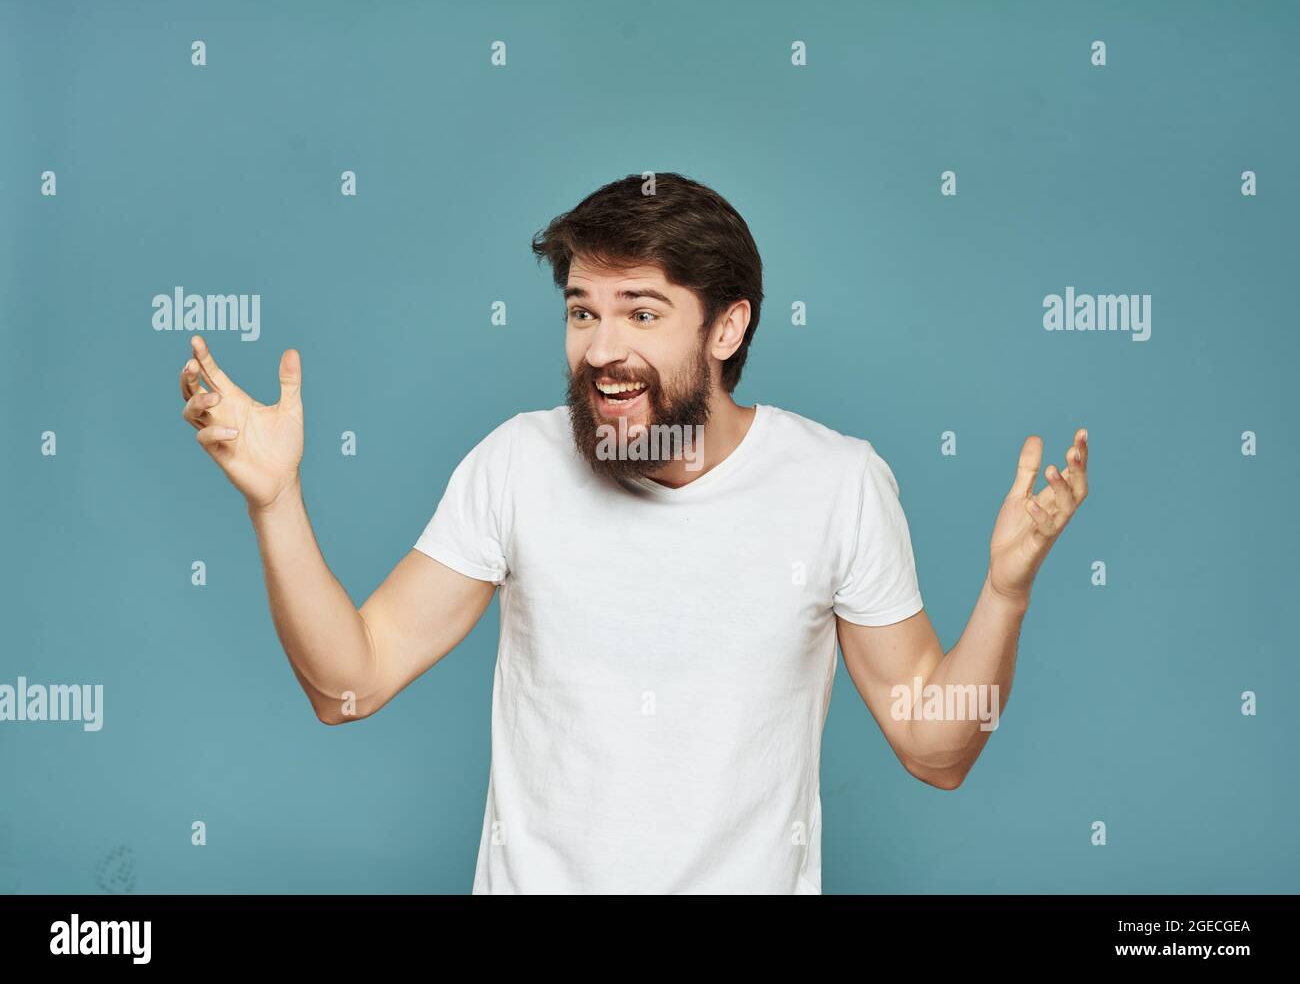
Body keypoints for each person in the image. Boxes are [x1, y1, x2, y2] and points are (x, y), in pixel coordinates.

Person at [177, 172, 1089, 894]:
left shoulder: (837, 483)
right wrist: (275, 499)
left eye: (642, 313)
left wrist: (1007, 593)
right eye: (583, 310)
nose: (603, 349)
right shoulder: (516, 464)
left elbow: (936, 750)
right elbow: (349, 686)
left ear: (728, 326)